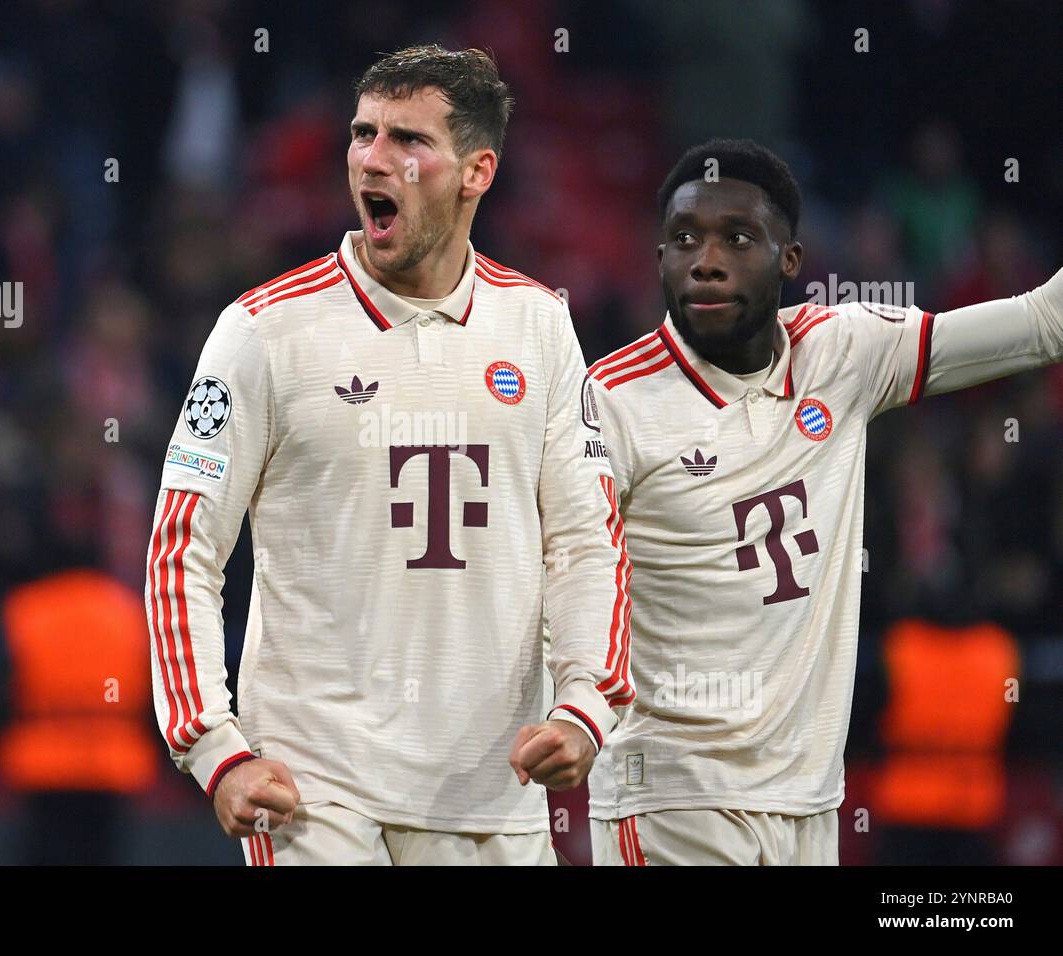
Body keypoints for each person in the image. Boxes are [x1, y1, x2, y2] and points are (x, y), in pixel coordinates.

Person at [144, 45, 632, 866]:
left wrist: (586, 704)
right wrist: (213, 748)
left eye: (408, 140)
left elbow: (587, 541)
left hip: (494, 790)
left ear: (477, 171)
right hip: (317, 790)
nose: (374, 158)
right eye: (363, 133)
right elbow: (181, 549)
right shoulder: (263, 332)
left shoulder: (541, 327)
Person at [584, 138, 1062, 866]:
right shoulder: (608, 403)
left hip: (808, 804)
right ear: (659, 260)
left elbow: (1041, 325)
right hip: (675, 801)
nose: (705, 260)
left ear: (790, 260)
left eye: (737, 238)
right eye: (684, 239)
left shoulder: (845, 353)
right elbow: (560, 571)